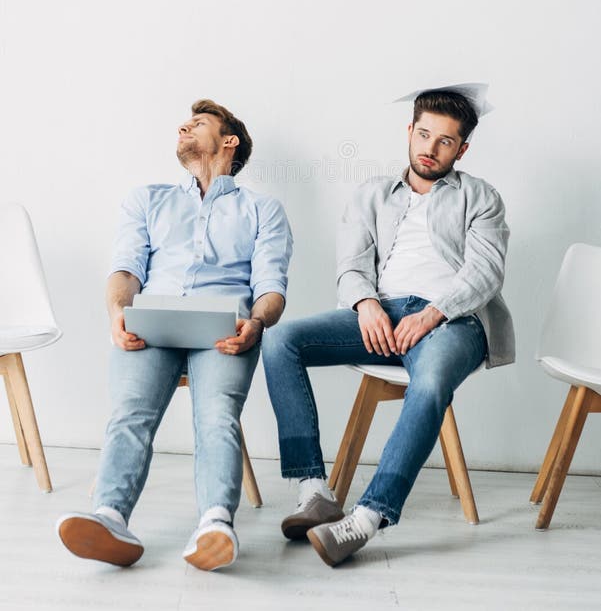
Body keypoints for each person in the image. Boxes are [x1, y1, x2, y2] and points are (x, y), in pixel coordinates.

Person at [262, 83, 514, 567]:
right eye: (423, 134)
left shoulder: (482, 198)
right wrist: (366, 304)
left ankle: (367, 518)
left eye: (445, 141)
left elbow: (485, 271)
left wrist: (432, 313)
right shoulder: (372, 193)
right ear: (409, 132)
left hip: (452, 322)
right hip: (381, 314)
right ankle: (314, 489)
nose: (430, 148)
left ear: (462, 148)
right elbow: (351, 263)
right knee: (280, 341)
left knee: (433, 381)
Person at [56, 99, 292, 571]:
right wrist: (118, 313)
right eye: (185, 122)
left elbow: (271, 288)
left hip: (225, 328)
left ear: (230, 142)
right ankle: (109, 517)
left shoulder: (262, 209)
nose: (184, 126)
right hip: (152, 322)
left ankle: (215, 523)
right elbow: (125, 269)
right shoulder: (146, 198)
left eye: (199, 123)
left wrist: (257, 323)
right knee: (130, 413)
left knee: (217, 416)